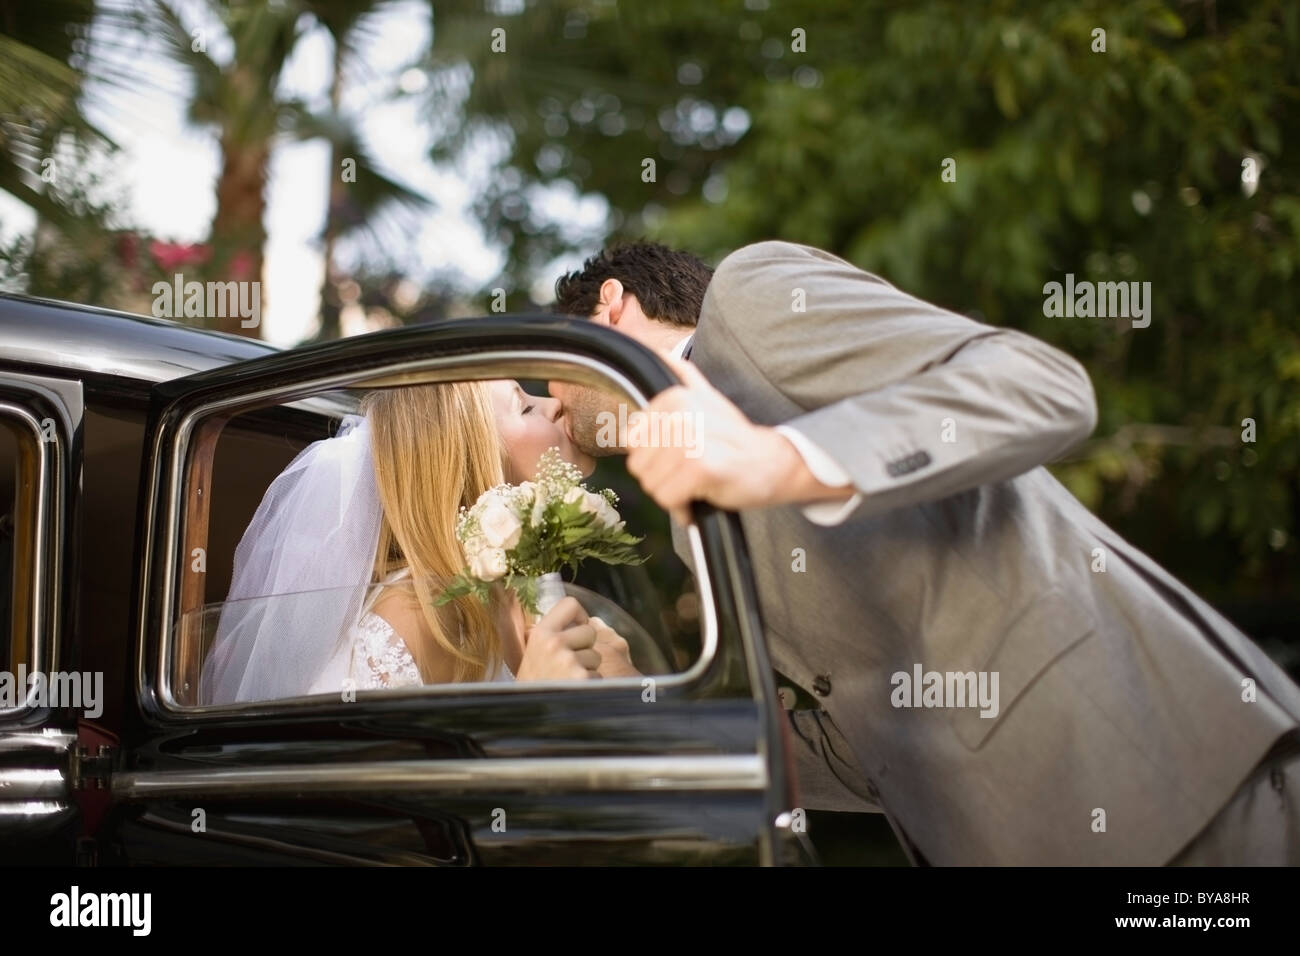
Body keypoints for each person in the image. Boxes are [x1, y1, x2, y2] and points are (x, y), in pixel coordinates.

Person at [548, 239, 1300, 866]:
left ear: (612, 304)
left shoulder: (746, 301)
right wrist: (673, 725)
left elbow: (1041, 386)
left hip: (1160, 777)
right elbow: (871, 733)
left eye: (550, 369)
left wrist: (780, 459)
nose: (551, 402)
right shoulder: (690, 524)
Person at [200, 379, 637, 706]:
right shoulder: (417, 615)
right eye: (524, 407)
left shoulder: (515, 579)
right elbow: (354, 809)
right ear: (471, 462)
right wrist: (529, 709)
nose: (555, 403)